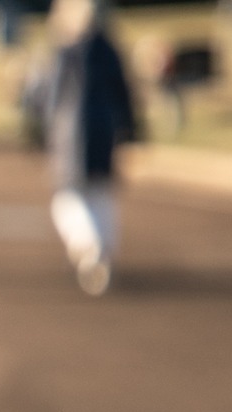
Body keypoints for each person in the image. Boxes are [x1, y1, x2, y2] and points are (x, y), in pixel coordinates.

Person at [44, 0, 139, 296]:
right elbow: (124, 93)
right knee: (99, 192)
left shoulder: (66, 51)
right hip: (106, 128)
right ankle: (103, 248)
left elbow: (52, 96)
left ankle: (91, 246)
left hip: (71, 133)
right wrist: (130, 130)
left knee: (68, 197)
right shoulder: (109, 50)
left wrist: (43, 131)